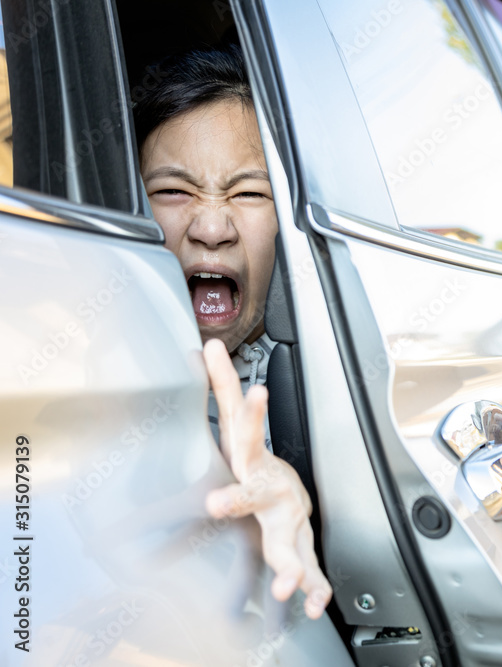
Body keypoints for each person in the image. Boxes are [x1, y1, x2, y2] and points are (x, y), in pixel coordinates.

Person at [134, 46, 333, 620]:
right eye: (173, 191)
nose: (213, 228)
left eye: (249, 193)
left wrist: (289, 490)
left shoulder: (326, 367)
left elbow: (272, 483)